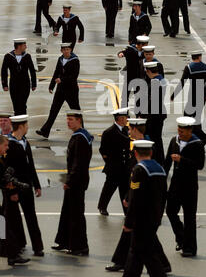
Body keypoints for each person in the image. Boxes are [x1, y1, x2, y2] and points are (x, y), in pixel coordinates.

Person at [114, 140, 177, 277]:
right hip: (153, 219)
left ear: (136, 153)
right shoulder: (160, 169)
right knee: (136, 256)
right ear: (151, 152)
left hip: (141, 221)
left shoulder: (139, 170)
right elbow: (164, 195)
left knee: (148, 258)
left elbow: (135, 199)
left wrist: (128, 222)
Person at [106, 119, 171, 273]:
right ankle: (162, 263)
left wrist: (131, 197)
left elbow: (146, 175)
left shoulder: (146, 148)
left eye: (130, 129)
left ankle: (121, 261)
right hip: (138, 193)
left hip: (144, 196)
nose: (128, 131)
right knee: (145, 234)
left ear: (135, 129)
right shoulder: (140, 144)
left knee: (132, 229)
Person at [52, 111, 93, 255]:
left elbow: (78, 163)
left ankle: (79, 246)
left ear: (79, 120)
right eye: (67, 119)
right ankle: (64, 241)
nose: (68, 122)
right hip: (76, 180)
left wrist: (69, 181)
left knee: (76, 214)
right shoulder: (81, 135)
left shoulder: (80, 138)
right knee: (68, 212)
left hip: (76, 181)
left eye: (71, 119)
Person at [165, 117, 205, 257]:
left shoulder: (197, 144)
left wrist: (182, 160)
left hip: (190, 186)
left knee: (189, 218)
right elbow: (167, 162)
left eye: (182, 131)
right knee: (170, 211)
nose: (179, 133)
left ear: (190, 130)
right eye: (178, 130)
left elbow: (200, 165)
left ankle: (189, 248)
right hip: (175, 184)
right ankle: (181, 237)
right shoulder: (174, 141)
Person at [6, 115, 44, 257]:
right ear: (21, 126)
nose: (28, 127)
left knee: (31, 217)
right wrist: (12, 191)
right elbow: (6, 171)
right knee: (13, 220)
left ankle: (37, 247)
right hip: (14, 188)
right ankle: (17, 246)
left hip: (26, 187)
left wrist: (37, 185)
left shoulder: (25, 142)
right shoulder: (8, 144)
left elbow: (31, 165)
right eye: (26, 125)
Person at [36, 44, 80, 139]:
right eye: (64, 50)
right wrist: (52, 85)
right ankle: (45, 131)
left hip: (71, 91)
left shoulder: (75, 60)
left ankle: (81, 131)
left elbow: (74, 76)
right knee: (53, 110)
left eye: (67, 49)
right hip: (60, 90)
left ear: (71, 50)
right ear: (61, 50)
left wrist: (62, 80)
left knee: (76, 111)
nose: (66, 51)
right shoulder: (60, 59)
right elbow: (56, 72)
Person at [171, 50, 206, 143]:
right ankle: (198, 140)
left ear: (192, 57)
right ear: (200, 57)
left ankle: (203, 137)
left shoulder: (189, 67)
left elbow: (182, 82)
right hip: (202, 96)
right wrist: (205, 95)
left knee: (187, 118)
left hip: (192, 95)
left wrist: (174, 94)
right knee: (197, 118)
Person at [98, 107, 131, 215]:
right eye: (125, 118)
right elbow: (103, 150)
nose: (127, 120)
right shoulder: (109, 132)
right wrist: (110, 163)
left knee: (125, 190)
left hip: (124, 167)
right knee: (109, 189)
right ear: (120, 119)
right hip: (114, 167)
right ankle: (102, 207)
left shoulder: (126, 130)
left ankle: (126, 211)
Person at [1, 38, 36, 115]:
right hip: (14, 85)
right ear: (19, 46)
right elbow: (4, 71)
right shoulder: (8, 56)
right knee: (16, 106)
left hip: (25, 85)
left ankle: (23, 124)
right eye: (24, 45)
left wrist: (34, 84)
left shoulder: (27, 56)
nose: (26, 47)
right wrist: (5, 85)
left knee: (23, 105)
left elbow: (32, 70)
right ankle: (17, 125)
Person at [141, 62, 167, 165]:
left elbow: (152, 101)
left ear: (148, 71)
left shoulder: (155, 82)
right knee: (157, 138)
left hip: (154, 114)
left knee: (153, 138)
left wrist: (146, 116)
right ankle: (160, 160)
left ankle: (157, 160)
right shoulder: (161, 79)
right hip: (159, 113)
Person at [118, 36, 149, 106]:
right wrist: (121, 54)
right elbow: (123, 52)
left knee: (138, 95)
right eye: (145, 45)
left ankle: (138, 112)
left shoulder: (145, 51)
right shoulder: (130, 49)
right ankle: (124, 110)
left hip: (139, 75)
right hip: (130, 75)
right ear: (141, 44)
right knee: (125, 94)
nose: (146, 46)